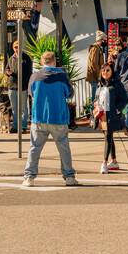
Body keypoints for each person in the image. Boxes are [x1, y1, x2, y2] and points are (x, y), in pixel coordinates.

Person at [23, 50, 80, 188]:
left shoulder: (35, 76)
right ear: (54, 61)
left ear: (42, 62)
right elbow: (69, 94)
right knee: (63, 147)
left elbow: (31, 93)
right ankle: (69, 177)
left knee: (35, 148)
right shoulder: (61, 76)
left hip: (39, 116)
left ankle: (29, 177)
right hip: (58, 117)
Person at [94, 62, 128, 173]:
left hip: (112, 115)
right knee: (109, 137)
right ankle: (114, 161)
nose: (105, 72)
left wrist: (117, 110)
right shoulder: (100, 84)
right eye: (103, 70)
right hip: (102, 116)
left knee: (108, 137)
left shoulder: (117, 84)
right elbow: (96, 99)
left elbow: (124, 99)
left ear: (112, 71)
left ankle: (104, 162)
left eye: (108, 70)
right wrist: (95, 106)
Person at [5, 43, 34, 135]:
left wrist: (13, 74)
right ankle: (15, 126)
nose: (17, 49)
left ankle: (23, 126)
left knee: (23, 108)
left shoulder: (26, 58)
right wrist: (7, 72)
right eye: (15, 47)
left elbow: (27, 73)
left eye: (18, 47)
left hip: (22, 86)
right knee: (14, 108)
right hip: (12, 86)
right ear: (13, 48)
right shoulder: (11, 58)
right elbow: (6, 68)